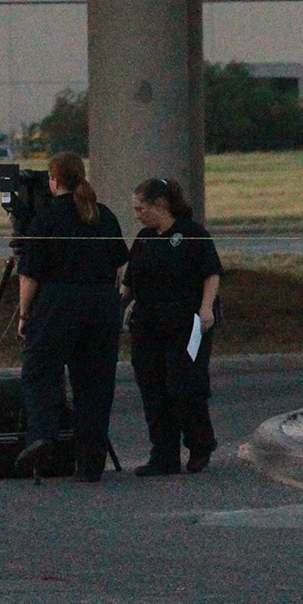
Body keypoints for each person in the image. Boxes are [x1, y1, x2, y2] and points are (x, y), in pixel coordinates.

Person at [14, 152, 128, 482]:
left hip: (58, 302)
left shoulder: (46, 219)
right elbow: (119, 262)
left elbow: (30, 275)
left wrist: (25, 314)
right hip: (102, 303)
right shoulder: (102, 215)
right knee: (95, 383)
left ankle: (42, 436)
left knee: (41, 371)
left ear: (53, 181)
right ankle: (91, 462)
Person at [124, 176, 223, 476]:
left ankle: (199, 443)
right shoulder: (144, 239)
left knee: (184, 385)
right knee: (152, 387)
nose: (137, 214)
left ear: (161, 204)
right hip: (149, 324)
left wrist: (206, 308)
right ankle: (163, 453)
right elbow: (129, 282)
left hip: (185, 322)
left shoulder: (191, 234)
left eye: (141, 208)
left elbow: (211, 273)